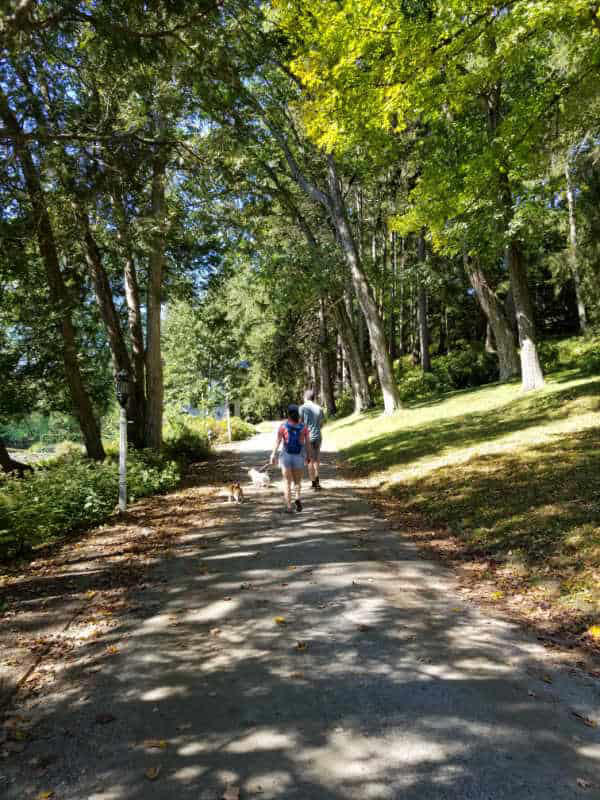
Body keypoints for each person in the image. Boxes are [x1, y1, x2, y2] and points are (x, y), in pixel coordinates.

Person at [270, 404, 312, 514]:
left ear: (288, 413)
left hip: (286, 457)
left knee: (287, 482)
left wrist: (273, 454)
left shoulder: (283, 425)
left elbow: (278, 441)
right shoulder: (303, 426)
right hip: (298, 456)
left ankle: (289, 507)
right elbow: (307, 443)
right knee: (297, 482)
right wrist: (309, 456)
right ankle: (297, 498)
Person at [299, 388, 324, 491]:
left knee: (309, 461)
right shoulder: (319, 408)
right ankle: (317, 480)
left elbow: (300, 423)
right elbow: (321, 423)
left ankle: (313, 483)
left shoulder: (302, 408)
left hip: (307, 438)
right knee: (317, 460)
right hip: (318, 436)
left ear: (306, 397)